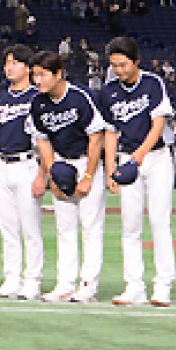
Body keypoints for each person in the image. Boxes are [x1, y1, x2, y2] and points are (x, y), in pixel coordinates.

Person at [98, 37, 175, 306]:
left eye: (123, 64)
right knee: (130, 225)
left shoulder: (153, 84)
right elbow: (110, 131)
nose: (119, 70)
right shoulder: (108, 92)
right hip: (126, 159)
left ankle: (163, 284)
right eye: (114, 65)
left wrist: (137, 158)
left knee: (158, 220)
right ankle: (134, 286)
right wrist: (111, 169)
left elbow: (158, 125)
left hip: (155, 158)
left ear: (136, 62)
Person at [27, 51, 108, 304]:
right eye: (34, 75)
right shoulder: (37, 104)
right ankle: (65, 284)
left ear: (58, 73)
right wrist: (54, 174)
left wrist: (87, 176)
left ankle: (88, 285)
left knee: (91, 226)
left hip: (86, 161)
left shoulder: (80, 97)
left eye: (42, 74)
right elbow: (43, 141)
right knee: (65, 228)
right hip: (62, 163)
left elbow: (96, 138)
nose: (37, 80)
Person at [0, 45, 45, 300]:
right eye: (7, 62)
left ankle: (33, 280)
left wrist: (42, 174)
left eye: (15, 62)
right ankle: (12, 278)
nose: (9, 67)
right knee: (7, 227)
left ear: (28, 67)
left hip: (28, 162)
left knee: (30, 227)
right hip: (3, 166)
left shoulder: (37, 98)